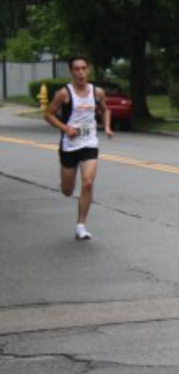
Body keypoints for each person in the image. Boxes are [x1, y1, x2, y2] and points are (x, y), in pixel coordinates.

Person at [44, 56, 112, 240]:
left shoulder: (97, 92)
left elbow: (105, 109)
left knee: (88, 183)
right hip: (69, 145)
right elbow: (48, 115)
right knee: (67, 191)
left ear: (88, 70)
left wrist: (106, 126)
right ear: (71, 71)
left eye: (84, 68)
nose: (81, 72)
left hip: (89, 143)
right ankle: (65, 183)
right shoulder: (64, 93)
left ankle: (81, 225)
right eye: (77, 69)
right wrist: (65, 128)